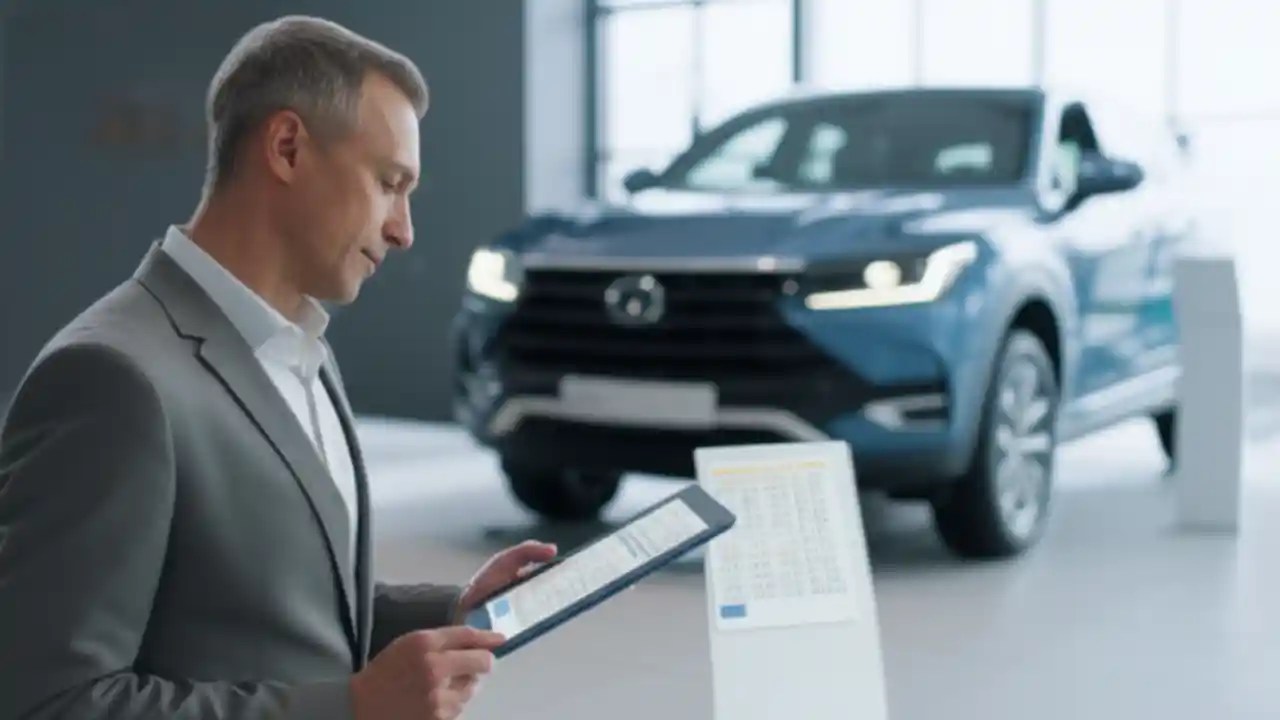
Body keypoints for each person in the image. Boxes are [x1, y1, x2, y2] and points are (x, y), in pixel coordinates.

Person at [0, 14, 555, 720]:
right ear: (287, 148)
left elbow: (271, 600)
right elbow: (47, 703)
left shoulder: (304, 353)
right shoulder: (111, 381)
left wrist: (450, 608)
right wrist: (348, 708)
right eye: (389, 182)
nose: (404, 229)